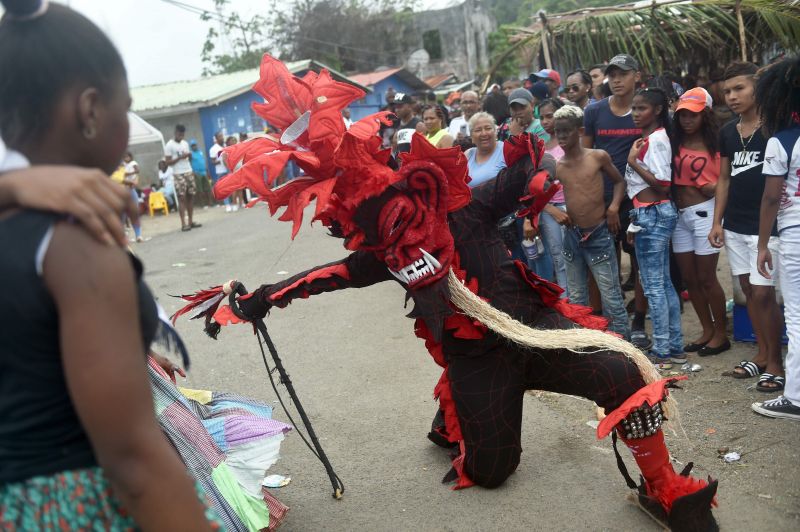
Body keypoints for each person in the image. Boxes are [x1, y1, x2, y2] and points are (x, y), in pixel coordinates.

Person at [175, 55, 720, 530]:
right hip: (478, 358)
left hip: (537, 330)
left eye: (397, 223)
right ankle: (455, 406)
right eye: (376, 233)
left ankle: (663, 484)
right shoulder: (384, 255)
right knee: (492, 472)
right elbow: (327, 276)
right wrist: (263, 298)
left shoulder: (469, 205)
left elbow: (527, 168)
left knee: (622, 370)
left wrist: (530, 158)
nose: (398, 243)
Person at [0, 2, 221, 528]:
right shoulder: (78, 246)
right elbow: (132, 461)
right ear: (91, 110)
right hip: (69, 509)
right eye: (126, 107)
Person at [708, 62, 784, 387]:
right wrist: (717, 221)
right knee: (750, 292)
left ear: (757, 87)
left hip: (768, 228)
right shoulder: (727, 132)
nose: (732, 96)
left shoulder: (775, 129)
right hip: (735, 226)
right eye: (727, 91)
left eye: (739, 88)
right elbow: (723, 180)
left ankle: (777, 365)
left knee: (766, 296)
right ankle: (762, 355)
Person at [584, 53, 649, 351]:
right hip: (601, 198)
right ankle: (605, 320)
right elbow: (585, 158)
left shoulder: (646, 111)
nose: (618, 80)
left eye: (623, 73)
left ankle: (638, 323)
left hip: (638, 197)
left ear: (637, 75)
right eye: (613, 74)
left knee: (640, 262)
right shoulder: (595, 111)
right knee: (600, 262)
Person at [554, 105, 630, 338]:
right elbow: (534, 197)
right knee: (576, 298)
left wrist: (614, 207)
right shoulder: (558, 166)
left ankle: (624, 349)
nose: (562, 137)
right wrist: (553, 211)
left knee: (611, 296)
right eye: (558, 132)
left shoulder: (597, 156)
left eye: (567, 131)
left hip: (598, 233)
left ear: (580, 131)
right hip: (572, 237)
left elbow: (620, 182)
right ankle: (585, 348)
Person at [753, 55, 800, 419]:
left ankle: (795, 398)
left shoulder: (780, 142)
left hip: (795, 232)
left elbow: (771, 197)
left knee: (797, 317)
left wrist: (763, 244)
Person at [624, 88, 684, 370]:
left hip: (652, 213)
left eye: (641, 108)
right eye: (633, 108)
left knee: (654, 286)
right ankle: (673, 345)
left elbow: (663, 184)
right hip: (650, 213)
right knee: (663, 283)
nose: (635, 113)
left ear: (657, 110)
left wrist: (633, 162)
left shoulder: (656, 141)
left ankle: (662, 350)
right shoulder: (650, 139)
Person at [670, 88, 729, 356]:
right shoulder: (673, 141)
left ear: (705, 114)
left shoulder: (716, 143)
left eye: (692, 115)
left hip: (705, 213)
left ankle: (720, 333)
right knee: (689, 278)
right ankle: (706, 329)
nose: (686, 120)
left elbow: (728, 183)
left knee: (707, 278)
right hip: (680, 216)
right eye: (682, 115)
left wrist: (714, 187)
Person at [531, 98, 568, 292]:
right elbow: (535, 185)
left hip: (573, 205)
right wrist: (549, 209)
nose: (545, 122)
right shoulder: (540, 147)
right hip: (550, 208)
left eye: (549, 116)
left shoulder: (572, 142)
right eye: (541, 117)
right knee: (558, 257)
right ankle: (566, 305)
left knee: (577, 257)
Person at [165, 124, 201, 231]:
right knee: (182, 198)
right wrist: (180, 157)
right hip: (178, 173)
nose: (181, 136)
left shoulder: (185, 143)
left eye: (182, 134)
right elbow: (168, 162)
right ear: (175, 132)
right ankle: (183, 224)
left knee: (191, 196)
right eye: (179, 134)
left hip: (188, 171)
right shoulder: (169, 145)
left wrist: (189, 156)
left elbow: (188, 158)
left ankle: (190, 221)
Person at [465, 112, 505, 187]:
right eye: (478, 130)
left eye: (488, 128)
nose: (484, 133)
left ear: (495, 132)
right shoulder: (468, 154)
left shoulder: (505, 150)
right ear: (471, 136)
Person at [122, 151, 143, 242]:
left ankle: (138, 235)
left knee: (134, 212)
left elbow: (137, 171)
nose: (126, 158)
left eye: (128, 156)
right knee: (122, 214)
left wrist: (132, 178)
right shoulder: (121, 164)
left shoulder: (132, 163)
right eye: (124, 156)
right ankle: (123, 236)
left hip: (130, 189)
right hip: (122, 189)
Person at [190, 139, 212, 209]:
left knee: (208, 188)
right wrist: (193, 172)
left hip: (204, 172)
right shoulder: (190, 154)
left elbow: (204, 161)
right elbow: (189, 164)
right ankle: (203, 204)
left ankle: (210, 203)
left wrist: (207, 171)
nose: (194, 147)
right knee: (200, 190)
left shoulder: (200, 152)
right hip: (197, 173)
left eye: (195, 145)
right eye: (192, 146)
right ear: (191, 147)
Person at [225, 135, 245, 211]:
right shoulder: (227, 150)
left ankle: (241, 203)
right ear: (228, 142)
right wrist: (231, 170)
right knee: (234, 189)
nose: (234, 141)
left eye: (235, 140)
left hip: (240, 170)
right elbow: (226, 161)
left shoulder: (238, 149)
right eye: (232, 140)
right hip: (232, 171)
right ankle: (234, 204)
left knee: (240, 188)